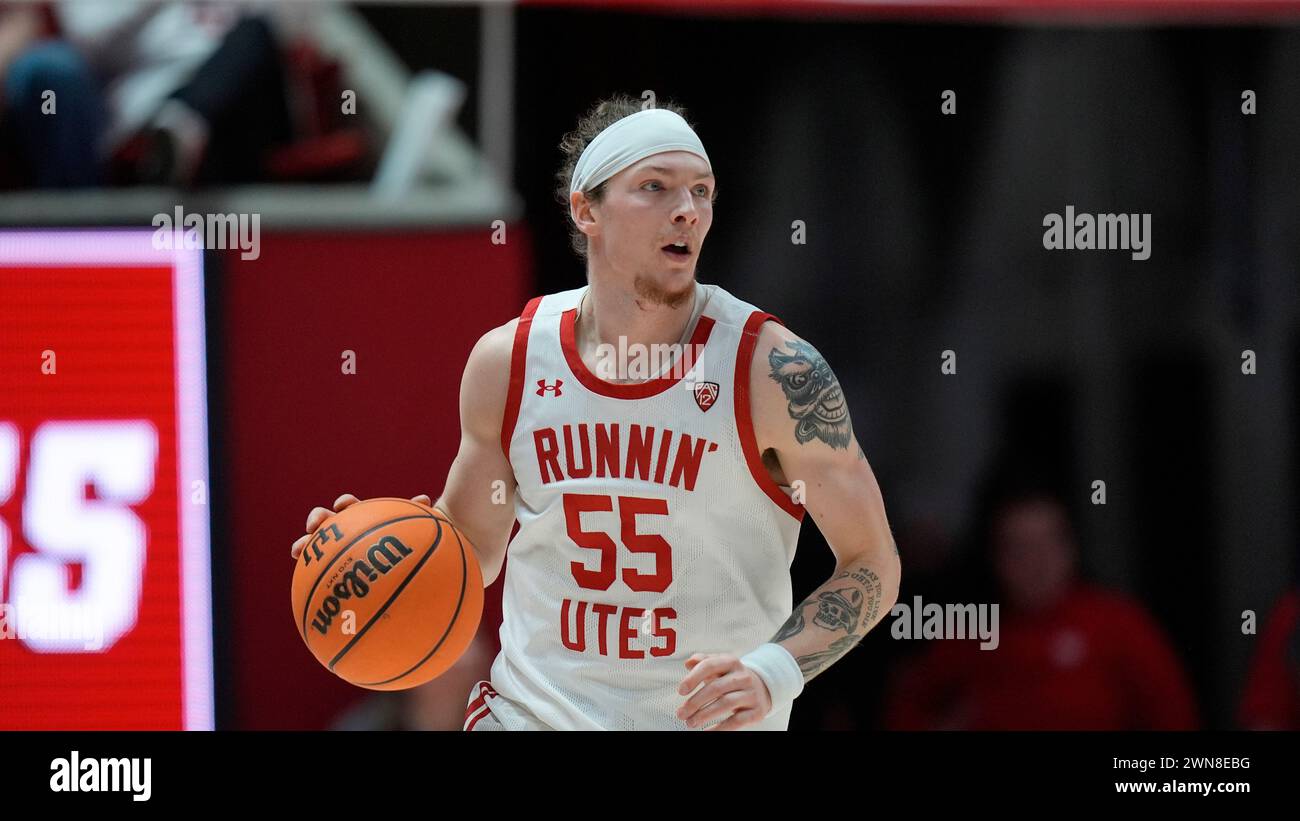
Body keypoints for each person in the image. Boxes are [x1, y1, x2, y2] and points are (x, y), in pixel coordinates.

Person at [291, 94, 901, 731]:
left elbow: (872, 564)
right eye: (655, 187)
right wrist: (375, 552)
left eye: (701, 190)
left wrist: (773, 671)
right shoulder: (511, 362)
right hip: (533, 716)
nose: (686, 210)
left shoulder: (774, 372)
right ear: (586, 209)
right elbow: (469, 543)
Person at [885, 485, 1199, 730]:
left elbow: (1175, 717)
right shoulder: (972, 632)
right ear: (997, 559)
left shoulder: (1117, 623)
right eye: (1020, 549)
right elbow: (905, 708)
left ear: (1070, 548)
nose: (1037, 563)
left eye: (1048, 544)